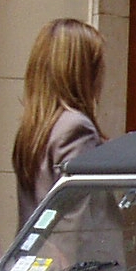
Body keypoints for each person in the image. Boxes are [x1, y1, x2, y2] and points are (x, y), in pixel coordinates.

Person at [13, 18, 106, 225]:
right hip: (70, 254)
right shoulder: (76, 128)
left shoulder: (35, 126)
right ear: (84, 71)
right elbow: (76, 220)